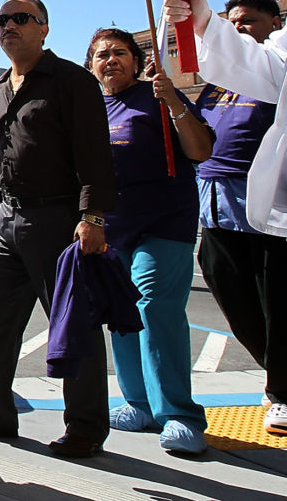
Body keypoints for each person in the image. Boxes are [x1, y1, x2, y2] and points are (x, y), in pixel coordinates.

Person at [0, 0, 115, 458]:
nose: (9, 26)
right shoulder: (1, 85)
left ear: (44, 28)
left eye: (21, 18)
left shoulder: (71, 81)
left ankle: (84, 426)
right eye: (2, 19)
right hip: (6, 218)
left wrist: (92, 217)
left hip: (58, 218)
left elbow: (95, 156)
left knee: (72, 322)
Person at [163, 0, 287, 436]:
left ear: (276, 24)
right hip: (216, 201)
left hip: (270, 203)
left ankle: (281, 392)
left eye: (248, 22)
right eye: (231, 23)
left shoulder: (275, 69)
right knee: (234, 296)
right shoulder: (219, 84)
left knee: (277, 300)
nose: (239, 29)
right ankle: (280, 378)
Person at [85, 27, 212, 454]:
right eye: (102, 54)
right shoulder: (88, 109)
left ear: (136, 62)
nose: (111, 60)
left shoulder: (158, 97)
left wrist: (173, 99)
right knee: (120, 312)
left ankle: (179, 414)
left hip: (164, 222)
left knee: (154, 305)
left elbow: (200, 151)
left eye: (120, 53)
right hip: (111, 226)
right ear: (91, 65)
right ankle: (137, 402)